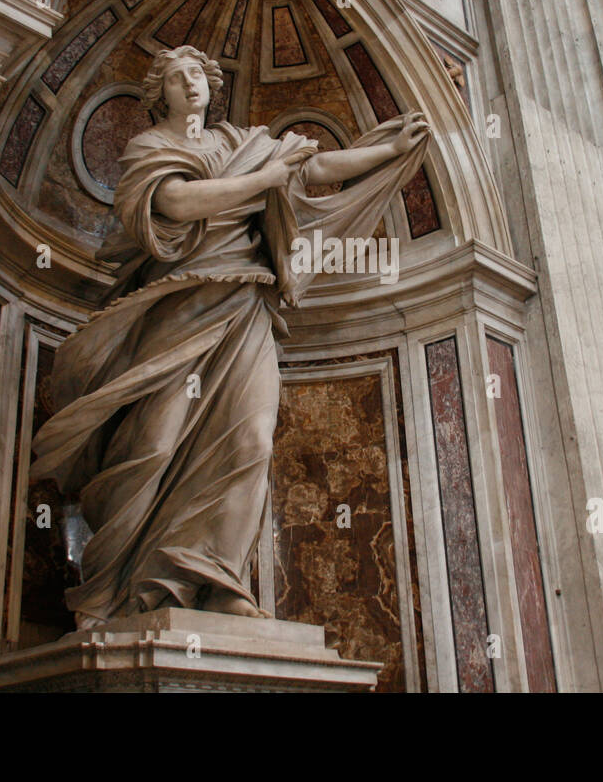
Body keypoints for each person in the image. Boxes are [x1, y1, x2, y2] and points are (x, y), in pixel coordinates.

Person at [30, 45, 430, 624]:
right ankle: (137, 588)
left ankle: (217, 579)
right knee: (156, 445)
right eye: (177, 76)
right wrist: (263, 180)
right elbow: (174, 201)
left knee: (252, 442)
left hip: (245, 310)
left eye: (198, 74)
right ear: (158, 93)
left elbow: (312, 169)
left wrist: (387, 150)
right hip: (177, 312)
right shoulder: (151, 148)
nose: (191, 83)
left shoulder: (236, 143)